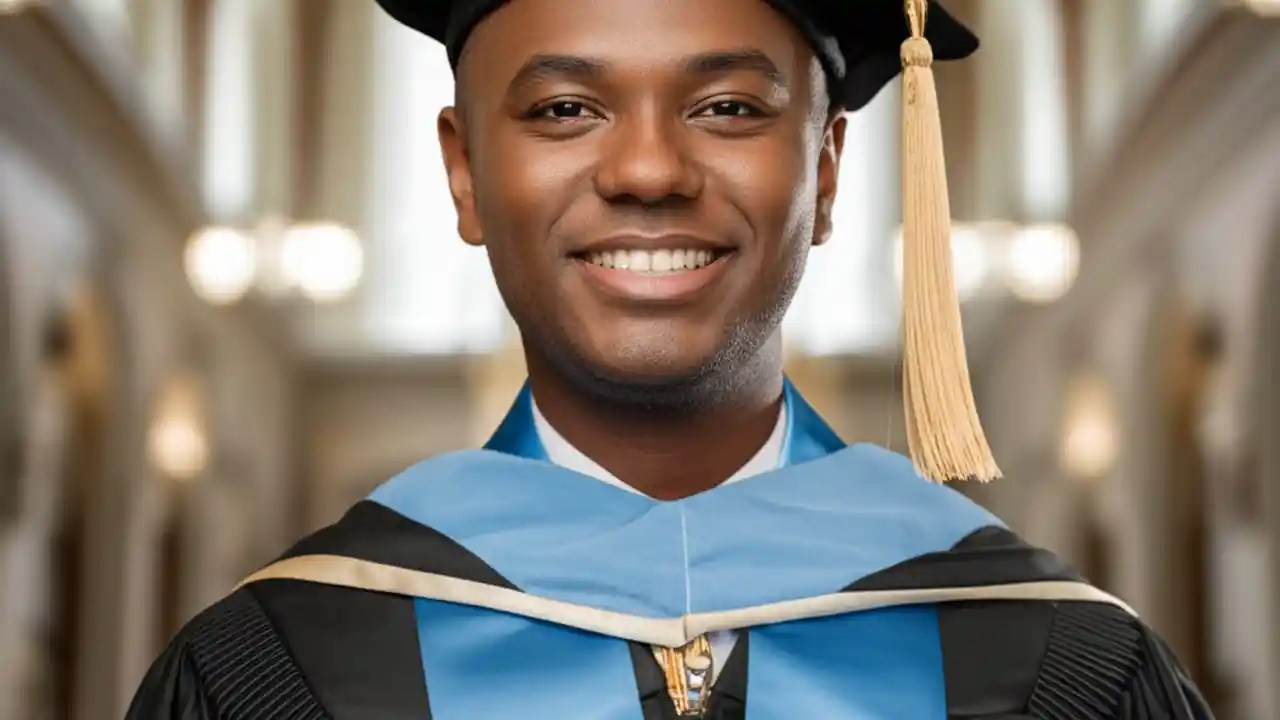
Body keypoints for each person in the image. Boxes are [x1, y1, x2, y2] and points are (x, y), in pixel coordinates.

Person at [128, 0, 1214, 717]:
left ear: (826, 171)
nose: (647, 168)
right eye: (564, 108)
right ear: (463, 174)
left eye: (727, 107)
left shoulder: (1058, 667)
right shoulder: (276, 668)